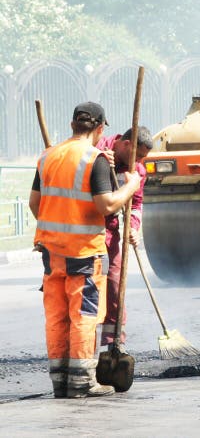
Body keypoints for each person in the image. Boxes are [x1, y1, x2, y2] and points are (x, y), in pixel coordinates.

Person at [29, 102, 141, 398]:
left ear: (72, 125)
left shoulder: (47, 156)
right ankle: (81, 381)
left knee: (57, 315)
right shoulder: (95, 160)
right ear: (101, 128)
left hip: (51, 254)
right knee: (84, 315)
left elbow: (34, 204)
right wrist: (131, 186)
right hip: (85, 254)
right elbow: (106, 205)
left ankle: (60, 379)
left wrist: (57, 226)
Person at [96, 127, 154, 352]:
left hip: (110, 233)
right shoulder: (99, 149)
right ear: (126, 144)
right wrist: (98, 160)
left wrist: (134, 226)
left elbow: (136, 203)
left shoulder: (137, 170)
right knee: (89, 292)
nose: (139, 161)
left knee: (115, 285)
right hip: (86, 230)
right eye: (138, 155)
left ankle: (114, 343)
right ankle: (81, 345)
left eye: (143, 158)